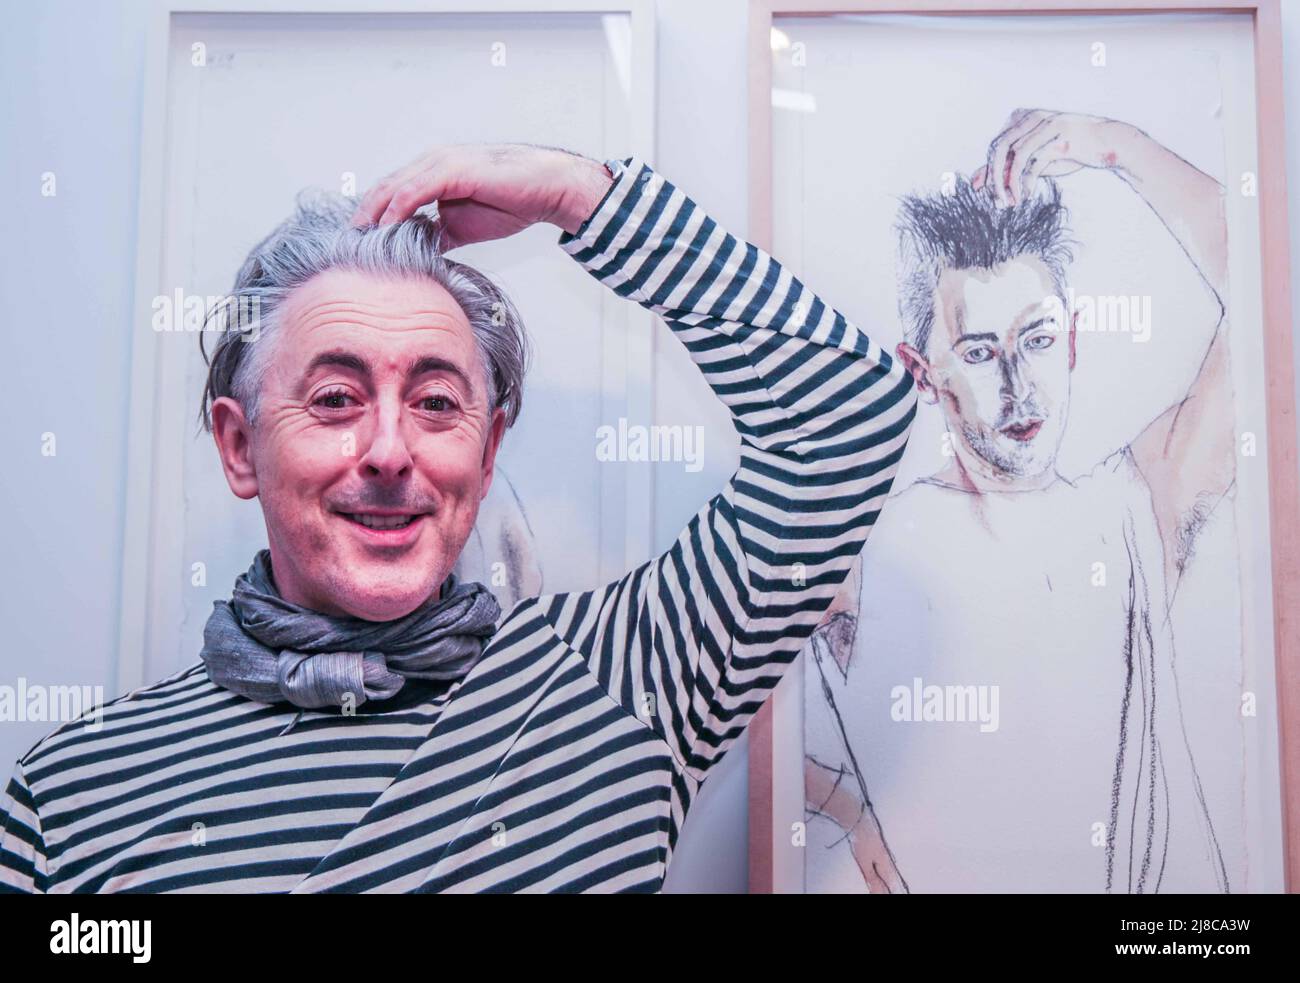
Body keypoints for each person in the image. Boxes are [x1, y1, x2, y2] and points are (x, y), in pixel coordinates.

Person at [0, 143, 917, 893]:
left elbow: (852, 418)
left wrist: (578, 193)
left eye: (438, 403)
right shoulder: (72, 797)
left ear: (487, 452)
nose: (392, 450)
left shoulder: (615, 682)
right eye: (333, 397)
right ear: (239, 448)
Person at [805, 110, 1235, 893]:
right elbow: (720, 679)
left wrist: (1119, 148)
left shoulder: (1137, 508)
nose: (1018, 385)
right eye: (978, 352)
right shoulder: (871, 545)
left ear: (1071, 340)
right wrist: (848, 808)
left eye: (1036, 339)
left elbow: (1277, 290)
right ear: (922, 370)